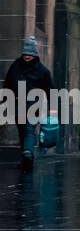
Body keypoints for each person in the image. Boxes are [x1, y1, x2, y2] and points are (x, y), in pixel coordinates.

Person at [4, 37, 52, 172]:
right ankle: (26, 158)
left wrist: (53, 109)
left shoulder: (42, 71)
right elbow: (8, 84)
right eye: (25, 54)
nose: (27, 57)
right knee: (22, 131)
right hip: (17, 104)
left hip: (33, 105)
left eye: (30, 54)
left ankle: (28, 153)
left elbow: (51, 91)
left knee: (29, 129)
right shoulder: (15, 65)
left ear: (35, 54)